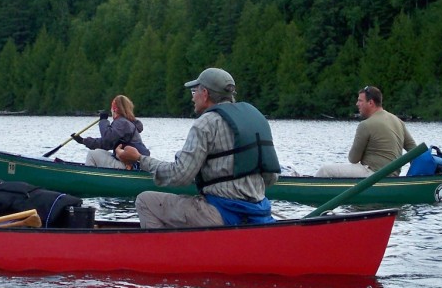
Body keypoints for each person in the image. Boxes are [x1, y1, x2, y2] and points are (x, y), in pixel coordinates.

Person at [115, 68, 281, 229]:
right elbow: (271, 178)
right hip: (260, 214)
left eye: (194, 92)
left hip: (222, 214)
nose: (193, 98)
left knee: (145, 201)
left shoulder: (206, 123)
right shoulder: (256, 119)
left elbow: (180, 176)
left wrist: (139, 159)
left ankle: (165, 256)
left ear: (205, 94)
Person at [315, 85, 416, 177]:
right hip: (393, 177)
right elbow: (414, 150)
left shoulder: (365, 125)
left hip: (373, 175)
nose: (357, 104)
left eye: (360, 101)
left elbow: (353, 159)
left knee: (325, 171)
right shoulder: (398, 121)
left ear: (371, 103)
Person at [72, 94, 150, 168]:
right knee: (97, 152)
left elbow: (107, 137)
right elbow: (106, 143)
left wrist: (103, 120)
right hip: (131, 163)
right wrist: (83, 141)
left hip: (130, 165)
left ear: (114, 109)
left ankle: (89, 180)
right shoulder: (126, 123)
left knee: (92, 155)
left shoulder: (122, 122)